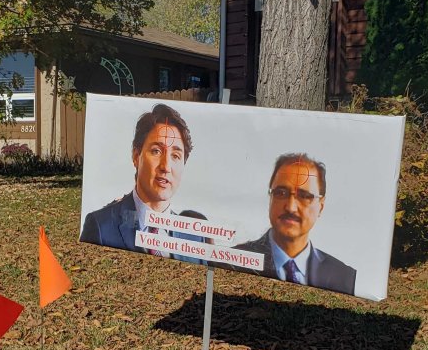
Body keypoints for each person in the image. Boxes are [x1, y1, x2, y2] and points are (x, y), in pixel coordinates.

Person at [80, 103, 206, 264]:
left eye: (175, 155)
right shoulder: (100, 225)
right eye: (156, 151)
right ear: (136, 156)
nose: (166, 167)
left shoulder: (194, 236)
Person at [233, 153, 356, 295]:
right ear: (270, 197)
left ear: (320, 207)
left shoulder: (344, 276)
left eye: (304, 196)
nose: (291, 207)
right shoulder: (234, 259)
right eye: (281, 193)